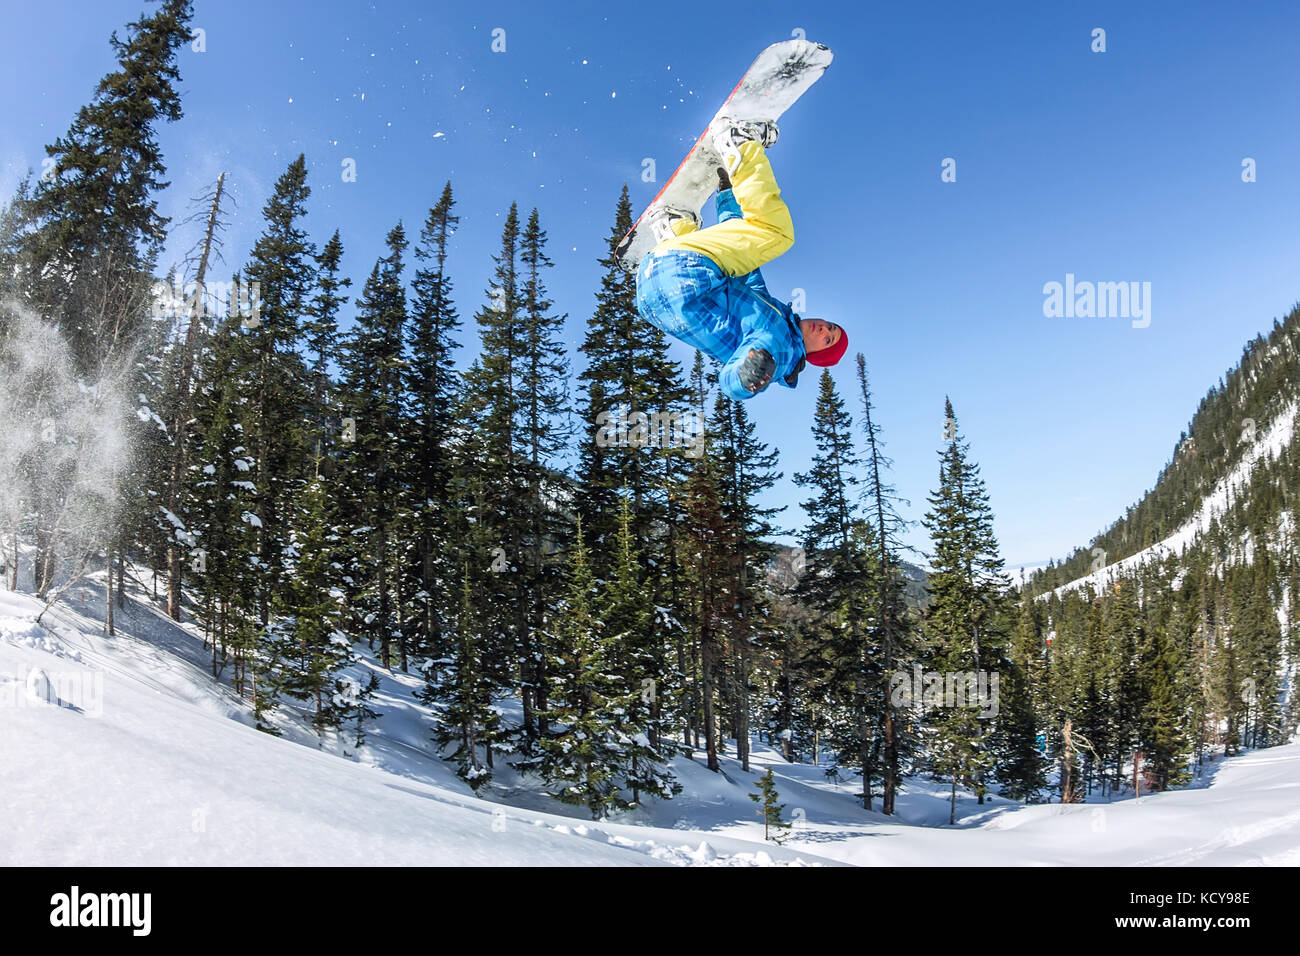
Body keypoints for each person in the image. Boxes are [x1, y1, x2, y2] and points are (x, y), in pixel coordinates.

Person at [634, 118, 848, 402]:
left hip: (687, 278)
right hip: (655, 289)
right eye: (831, 326)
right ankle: (672, 227)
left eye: (828, 339)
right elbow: (744, 262)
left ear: (817, 355)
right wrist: (728, 196)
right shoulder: (770, 310)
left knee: (778, 233)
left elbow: (730, 382)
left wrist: (749, 377)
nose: (825, 329)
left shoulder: (780, 352)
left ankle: (740, 143)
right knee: (737, 262)